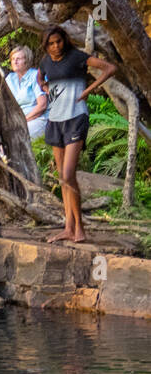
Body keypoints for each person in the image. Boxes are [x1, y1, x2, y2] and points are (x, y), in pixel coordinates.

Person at [37, 26, 117, 244]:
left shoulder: (77, 57)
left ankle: (79, 228)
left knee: (67, 174)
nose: (55, 46)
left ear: (65, 40)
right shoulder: (45, 62)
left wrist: (87, 91)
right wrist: (44, 87)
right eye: (51, 43)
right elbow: (40, 78)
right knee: (62, 179)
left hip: (75, 118)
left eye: (58, 42)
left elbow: (110, 68)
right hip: (55, 120)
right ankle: (68, 227)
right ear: (46, 45)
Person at [4, 45, 47, 141]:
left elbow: (42, 105)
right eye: (13, 59)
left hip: (37, 119)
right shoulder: (10, 79)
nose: (15, 62)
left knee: (17, 138)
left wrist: (24, 120)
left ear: (26, 61)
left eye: (18, 59)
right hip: (17, 121)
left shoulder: (35, 76)